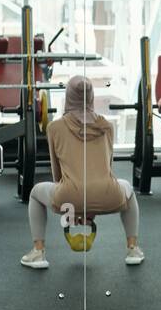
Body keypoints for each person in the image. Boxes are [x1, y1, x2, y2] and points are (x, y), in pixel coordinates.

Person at [20, 75, 144, 268]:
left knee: (35, 193)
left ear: (68, 96)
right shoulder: (107, 126)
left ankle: (38, 252)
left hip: (68, 195)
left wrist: (74, 207)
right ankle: (133, 249)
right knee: (127, 190)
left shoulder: (55, 128)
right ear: (91, 96)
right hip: (108, 193)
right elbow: (107, 168)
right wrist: (90, 207)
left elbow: (57, 174)